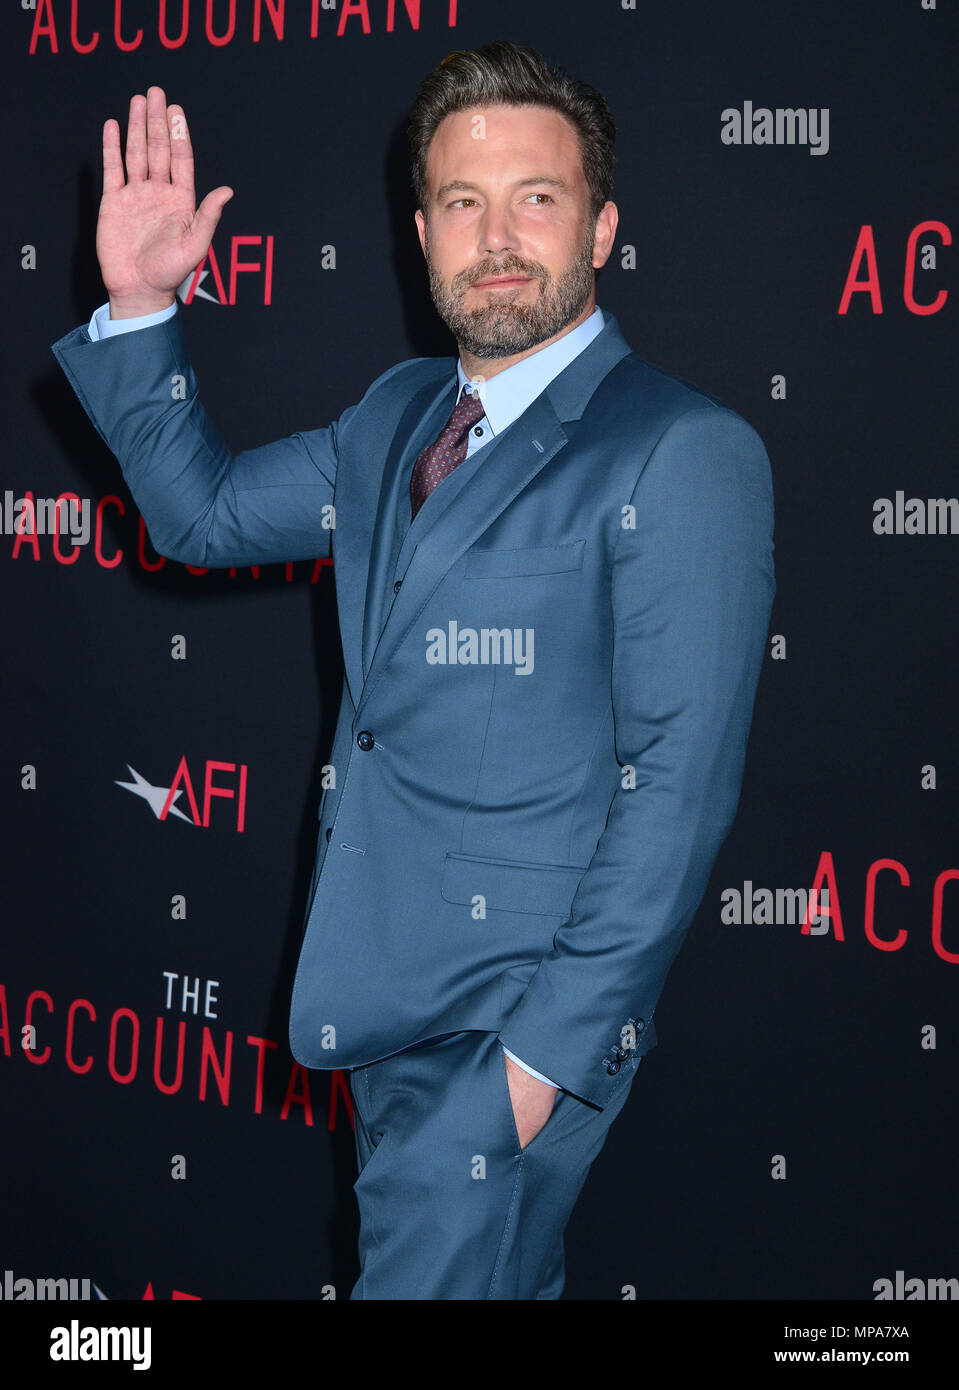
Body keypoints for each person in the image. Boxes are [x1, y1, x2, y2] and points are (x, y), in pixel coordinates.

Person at [51, 40, 775, 1300]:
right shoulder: (396, 415)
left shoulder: (679, 449)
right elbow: (201, 516)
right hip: (379, 1004)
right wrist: (145, 306)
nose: (497, 239)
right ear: (423, 234)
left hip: (507, 1033)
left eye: (535, 199)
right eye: (461, 202)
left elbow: (676, 793)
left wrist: (531, 1071)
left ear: (601, 228)